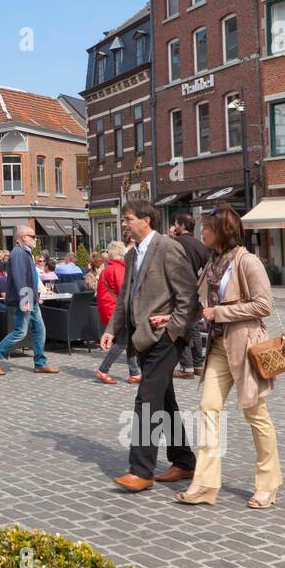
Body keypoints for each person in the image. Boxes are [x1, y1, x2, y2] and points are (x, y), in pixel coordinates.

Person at [177, 205, 282, 509]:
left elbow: (263, 305)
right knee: (208, 407)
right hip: (218, 347)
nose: (202, 232)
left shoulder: (247, 262)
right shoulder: (212, 263)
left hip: (246, 347)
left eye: (207, 228)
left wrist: (220, 313)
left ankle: (268, 484)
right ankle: (206, 484)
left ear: (222, 230)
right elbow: (197, 303)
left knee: (255, 414)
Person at [100, 198, 200, 492]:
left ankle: (141, 470)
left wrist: (172, 330)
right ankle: (184, 461)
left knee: (146, 398)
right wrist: (112, 330)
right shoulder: (132, 254)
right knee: (163, 400)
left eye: (128, 219)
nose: (124, 224)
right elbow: (125, 298)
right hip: (141, 338)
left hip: (164, 339)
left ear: (146, 220)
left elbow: (188, 295)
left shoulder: (168, 247)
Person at [0, 225, 60, 376]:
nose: (36, 239)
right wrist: (25, 299)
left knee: (39, 329)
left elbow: (29, 278)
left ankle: (40, 363)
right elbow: (20, 278)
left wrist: (34, 298)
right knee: (20, 332)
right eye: (33, 236)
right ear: (24, 237)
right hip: (26, 299)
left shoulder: (24, 252)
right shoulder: (19, 253)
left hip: (30, 298)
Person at [92, 241, 140, 386]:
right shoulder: (119, 269)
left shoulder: (107, 269)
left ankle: (134, 373)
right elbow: (124, 292)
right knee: (123, 341)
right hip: (116, 312)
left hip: (108, 309)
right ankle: (103, 369)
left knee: (129, 340)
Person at [170, 213, 211, 379]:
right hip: (194, 290)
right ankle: (198, 365)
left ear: (181, 225)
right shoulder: (200, 245)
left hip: (177, 289)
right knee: (194, 327)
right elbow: (208, 269)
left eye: (176, 223)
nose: (174, 226)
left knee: (180, 326)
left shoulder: (175, 243)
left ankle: (186, 367)